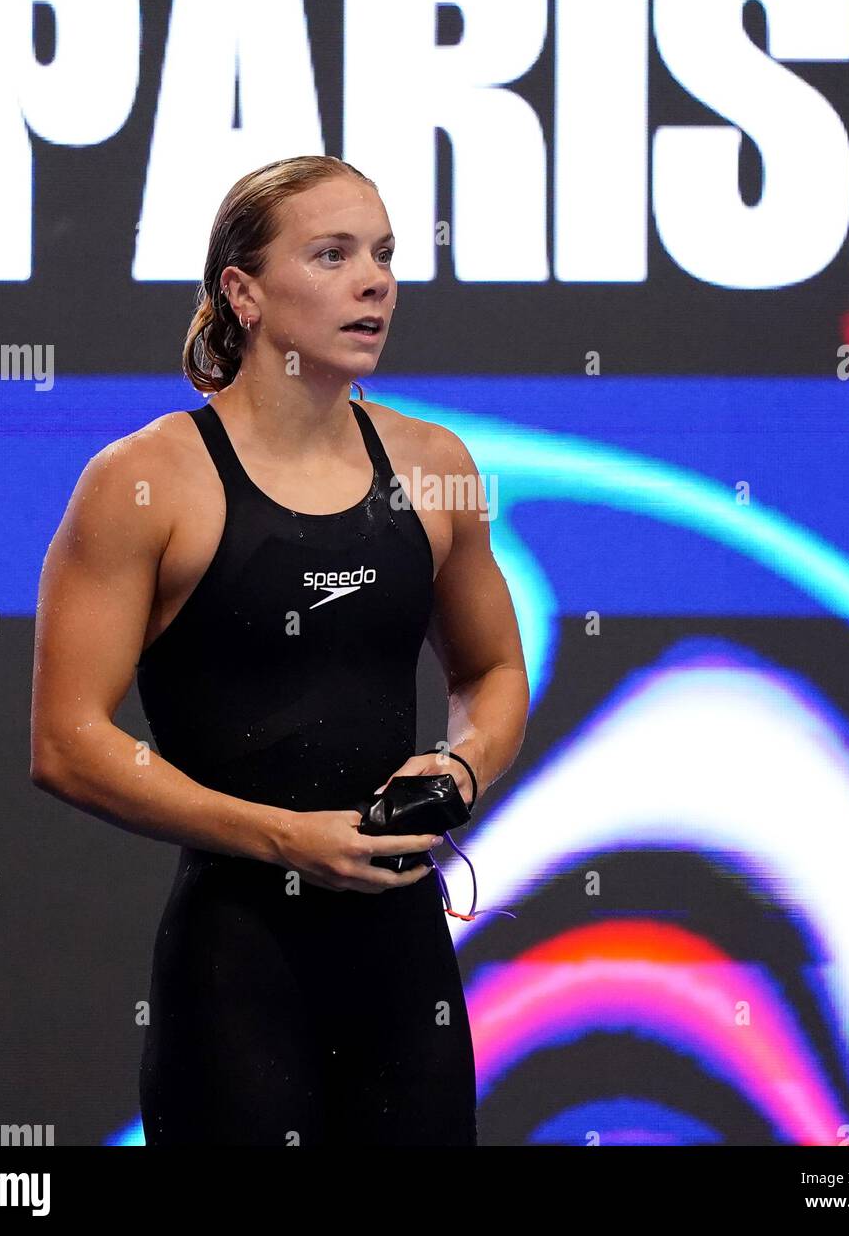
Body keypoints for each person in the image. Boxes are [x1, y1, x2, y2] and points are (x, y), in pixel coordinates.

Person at [29, 154, 530, 1146]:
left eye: (382, 254)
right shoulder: (145, 481)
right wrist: (284, 837)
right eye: (331, 254)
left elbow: (492, 672)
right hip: (238, 972)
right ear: (242, 292)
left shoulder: (434, 467)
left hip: (404, 970)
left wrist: (459, 765)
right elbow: (67, 739)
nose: (375, 279)